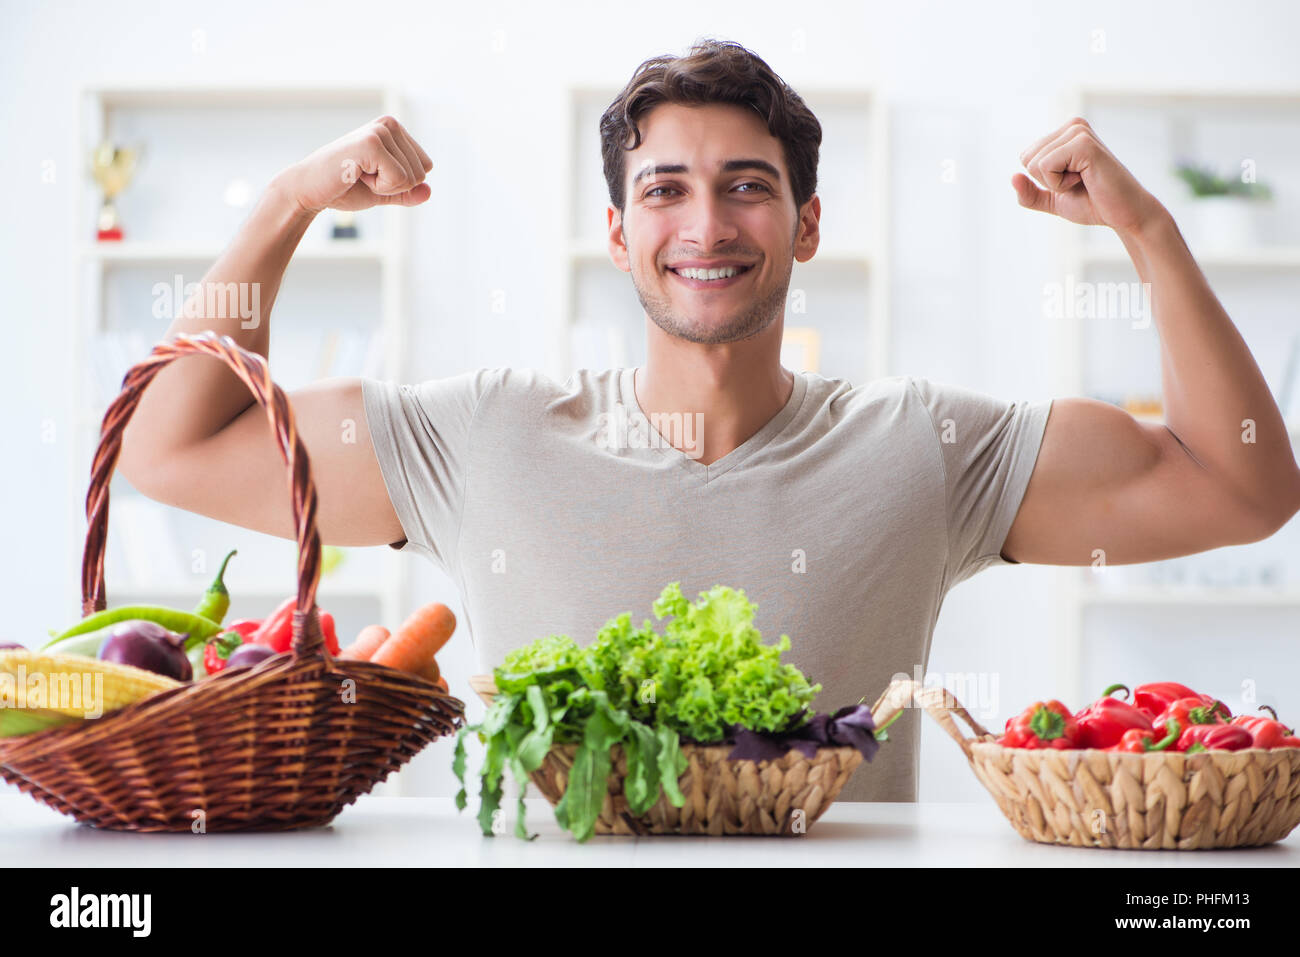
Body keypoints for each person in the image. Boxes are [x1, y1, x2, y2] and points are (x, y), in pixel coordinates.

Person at [118, 38, 1300, 803]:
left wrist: (1148, 233)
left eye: (748, 184)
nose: (708, 223)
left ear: (807, 225)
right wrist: (284, 204)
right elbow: (171, 448)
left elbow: (1241, 486)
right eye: (663, 189)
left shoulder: (926, 446)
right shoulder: (480, 436)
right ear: (620, 234)